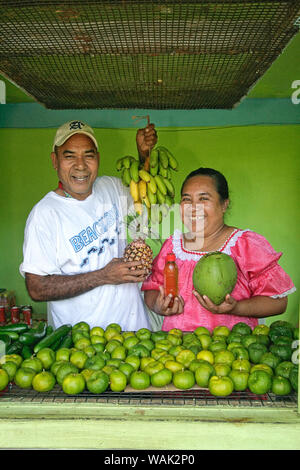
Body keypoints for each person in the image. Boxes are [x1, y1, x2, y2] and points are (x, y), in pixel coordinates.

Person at [20, 119, 157, 330]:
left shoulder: (110, 187)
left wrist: (144, 154)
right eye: (69, 156)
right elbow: (37, 288)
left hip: (135, 333)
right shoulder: (45, 214)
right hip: (84, 346)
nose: (81, 165)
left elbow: (144, 190)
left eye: (88, 155)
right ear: (55, 161)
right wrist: (103, 276)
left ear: (98, 159)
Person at [142, 167, 296, 332]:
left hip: (230, 349)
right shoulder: (172, 246)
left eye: (203, 199)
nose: (193, 208)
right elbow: (151, 290)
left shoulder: (245, 245)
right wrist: (159, 306)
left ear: (224, 204)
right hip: (176, 350)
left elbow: (279, 302)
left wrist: (235, 308)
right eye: (186, 199)